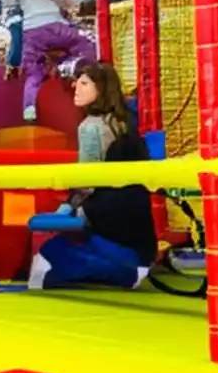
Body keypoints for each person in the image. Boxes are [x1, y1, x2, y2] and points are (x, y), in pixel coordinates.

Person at [28, 62, 157, 290]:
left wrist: (66, 210)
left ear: (101, 89)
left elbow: (86, 182)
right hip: (140, 235)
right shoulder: (126, 122)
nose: (76, 86)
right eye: (77, 81)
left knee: (49, 250)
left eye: (84, 83)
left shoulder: (91, 127)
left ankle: (115, 274)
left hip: (109, 226)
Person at [0, 0, 96, 121]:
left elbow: (9, 5)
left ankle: (29, 109)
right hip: (56, 27)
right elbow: (63, 0)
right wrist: (78, 7)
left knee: (33, 73)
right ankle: (69, 68)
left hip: (33, 34)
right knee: (86, 46)